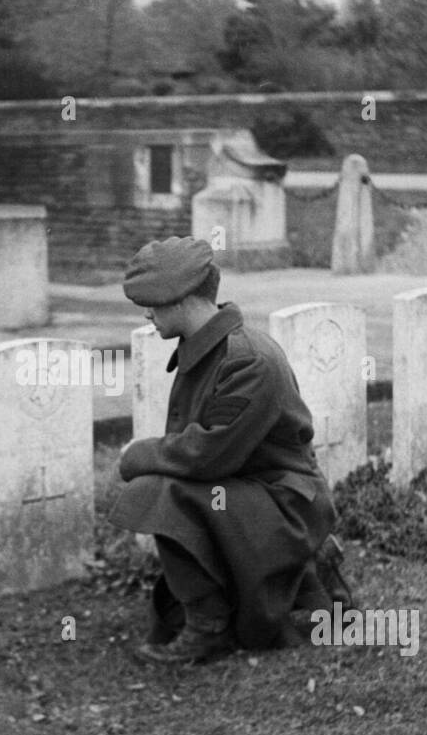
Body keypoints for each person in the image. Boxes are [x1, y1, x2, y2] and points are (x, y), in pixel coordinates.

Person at [109, 236, 348, 664]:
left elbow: (207, 455)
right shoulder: (209, 348)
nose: (147, 313)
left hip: (285, 502)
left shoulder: (246, 359)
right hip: (246, 489)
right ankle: (286, 582)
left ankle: (210, 627)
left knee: (156, 493)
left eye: (152, 302)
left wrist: (136, 455)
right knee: (163, 489)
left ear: (181, 299)